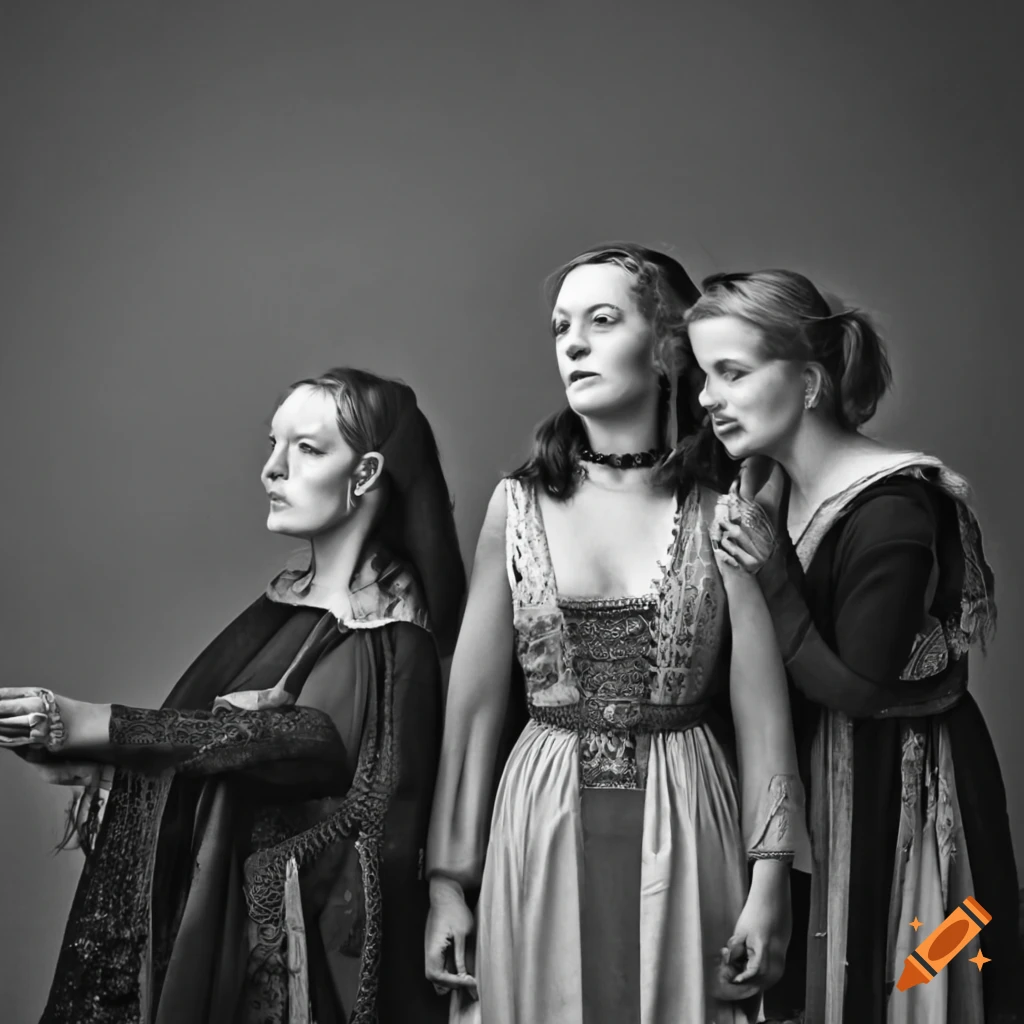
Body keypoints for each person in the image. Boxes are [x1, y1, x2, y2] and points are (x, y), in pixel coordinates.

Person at [0, 368, 465, 1024]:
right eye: (272, 444)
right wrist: (102, 757)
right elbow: (215, 739)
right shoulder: (283, 606)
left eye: (306, 449)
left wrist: (103, 726)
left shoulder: (390, 632)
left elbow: (311, 749)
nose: (271, 470)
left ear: (363, 475)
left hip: (288, 970)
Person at [424, 243, 811, 1024]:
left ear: (671, 348)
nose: (572, 342)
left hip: (688, 809)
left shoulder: (727, 511)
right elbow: (469, 713)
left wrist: (769, 882)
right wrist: (446, 885)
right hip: (539, 816)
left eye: (602, 320)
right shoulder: (516, 506)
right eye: (562, 325)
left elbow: (762, 713)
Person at [686, 269, 1021, 1024]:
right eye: (706, 375)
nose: (707, 397)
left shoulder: (893, 504)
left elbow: (860, 689)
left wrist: (773, 581)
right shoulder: (768, 489)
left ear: (808, 382)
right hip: (820, 786)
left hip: (900, 796)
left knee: (914, 981)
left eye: (731, 373)